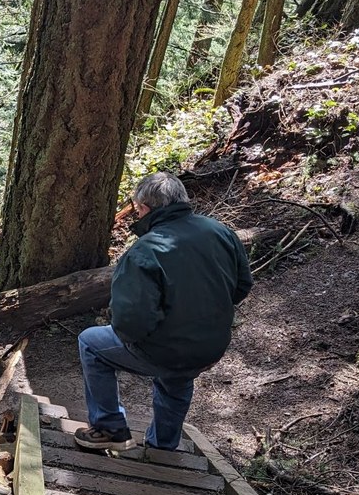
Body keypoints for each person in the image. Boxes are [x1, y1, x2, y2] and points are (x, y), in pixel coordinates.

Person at [74, 172, 252, 453]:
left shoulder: (145, 251)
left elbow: (131, 322)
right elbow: (242, 286)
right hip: (210, 347)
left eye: (137, 210)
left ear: (145, 208)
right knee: (178, 375)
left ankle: (110, 428)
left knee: (90, 342)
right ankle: (163, 445)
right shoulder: (221, 232)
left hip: (167, 349)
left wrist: (139, 335)